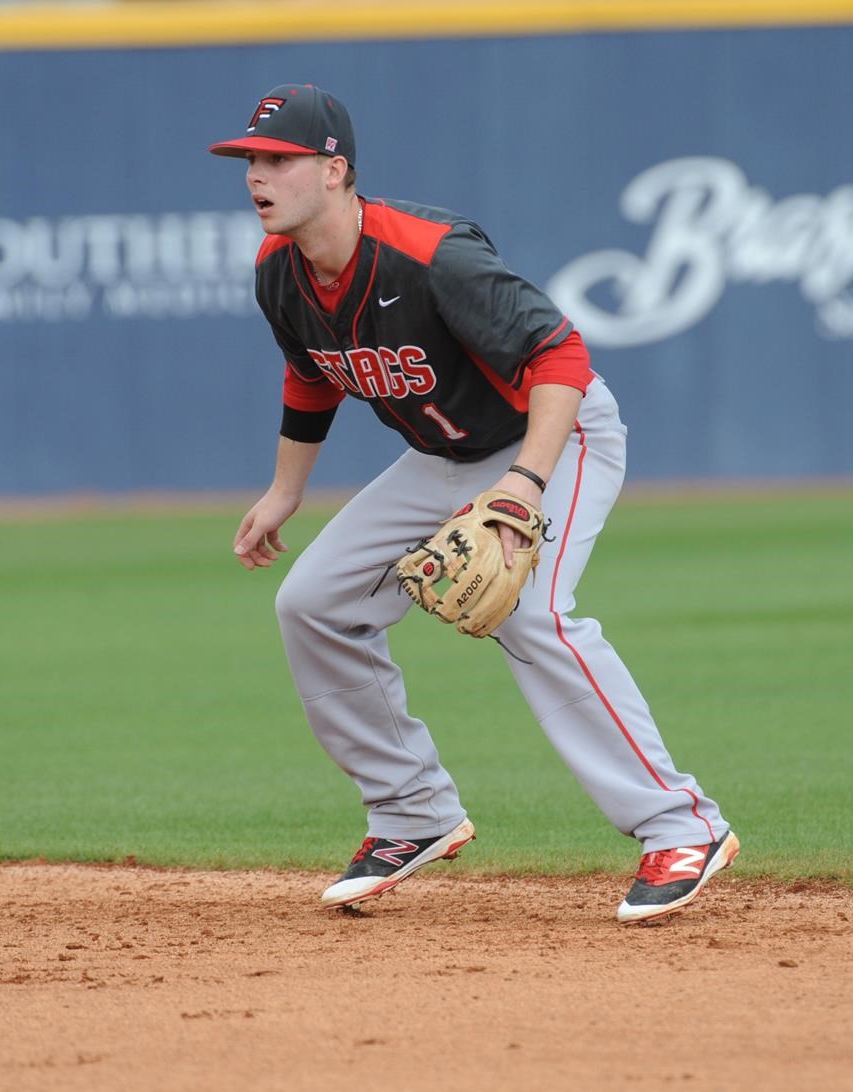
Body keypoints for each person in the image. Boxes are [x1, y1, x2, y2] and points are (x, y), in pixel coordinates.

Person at [211, 84, 736, 924]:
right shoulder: (282, 272)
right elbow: (310, 374)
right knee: (313, 604)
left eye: (277, 160)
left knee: (530, 615)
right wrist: (285, 490)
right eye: (250, 162)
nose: (256, 177)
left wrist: (524, 487)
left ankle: (681, 825)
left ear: (335, 170)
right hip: (446, 456)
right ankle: (410, 810)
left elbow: (561, 357)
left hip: (555, 433)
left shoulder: (431, 255)